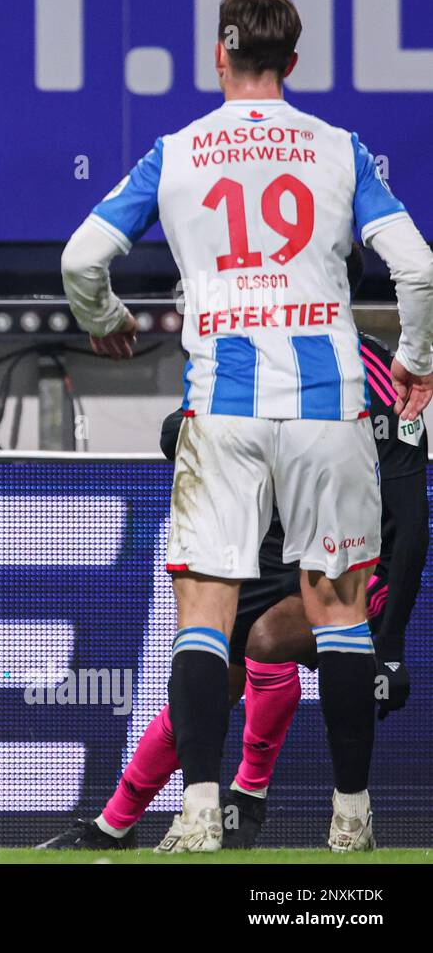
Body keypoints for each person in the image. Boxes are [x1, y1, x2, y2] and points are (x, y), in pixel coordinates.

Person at [59, 0, 433, 851]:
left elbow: (83, 258)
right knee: (339, 613)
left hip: (222, 407)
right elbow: (419, 268)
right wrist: (414, 357)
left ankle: (196, 811)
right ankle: (351, 819)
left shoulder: (177, 153)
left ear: (217, 57)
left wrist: (105, 315)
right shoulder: (340, 150)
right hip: (330, 403)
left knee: (204, 611)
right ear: (292, 62)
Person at [38, 325, 428, 851]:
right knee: (204, 692)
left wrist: (394, 645)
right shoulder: (241, 351)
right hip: (264, 553)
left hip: (350, 558)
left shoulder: (380, 374)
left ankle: (249, 796)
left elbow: (410, 519)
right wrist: (187, 426)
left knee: (266, 641)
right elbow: (179, 431)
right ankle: (114, 825)